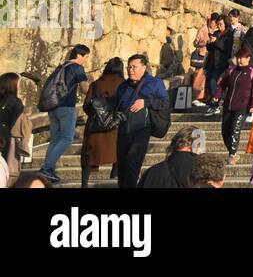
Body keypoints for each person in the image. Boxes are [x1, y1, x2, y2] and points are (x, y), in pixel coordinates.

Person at [112, 55, 169, 189]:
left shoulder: (155, 83)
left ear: (144, 67)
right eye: (129, 67)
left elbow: (165, 103)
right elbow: (116, 103)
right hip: (124, 129)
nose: (130, 70)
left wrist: (146, 102)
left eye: (134, 67)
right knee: (122, 165)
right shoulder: (124, 85)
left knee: (132, 163)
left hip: (142, 129)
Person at [37, 44, 90, 184]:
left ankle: (50, 170)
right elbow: (85, 89)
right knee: (67, 138)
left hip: (53, 107)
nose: (86, 60)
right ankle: (46, 168)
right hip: (66, 107)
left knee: (55, 139)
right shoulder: (77, 68)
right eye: (85, 57)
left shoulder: (62, 66)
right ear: (79, 55)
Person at [80, 57, 125, 187]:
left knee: (89, 155)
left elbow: (87, 105)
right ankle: (114, 178)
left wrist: (97, 115)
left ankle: (84, 183)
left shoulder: (96, 83)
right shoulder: (123, 83)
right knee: (117, 153)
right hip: (114, 125)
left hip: (95, 126)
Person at [216, 45, 253, 155]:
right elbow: (221, 85)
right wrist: (217, 96)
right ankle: (232, 151)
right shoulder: (231, 70)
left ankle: (232, 153)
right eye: (238, 58)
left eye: (242, 58)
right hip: (228, 105)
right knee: (225, 130)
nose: (240, 60)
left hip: (243, 106)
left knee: (235, 129)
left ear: (248, 58)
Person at [1, 72, 33, 182]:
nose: (19, 85)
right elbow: (14, 121)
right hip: (5, 137)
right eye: (18, 82)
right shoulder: (16, 102)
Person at [204, 14, 232, 113]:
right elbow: (210, 48)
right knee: (208, 83)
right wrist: (209, 42)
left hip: (220, 63)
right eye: (218, 24)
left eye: (220, 24)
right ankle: (213, 102)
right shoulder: (216, 33)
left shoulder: (229, 34)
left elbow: (226, 48)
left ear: (225, 24)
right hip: (211, 62)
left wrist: (216, 42)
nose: (218, 26)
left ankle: (216, 103)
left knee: (213, 82)